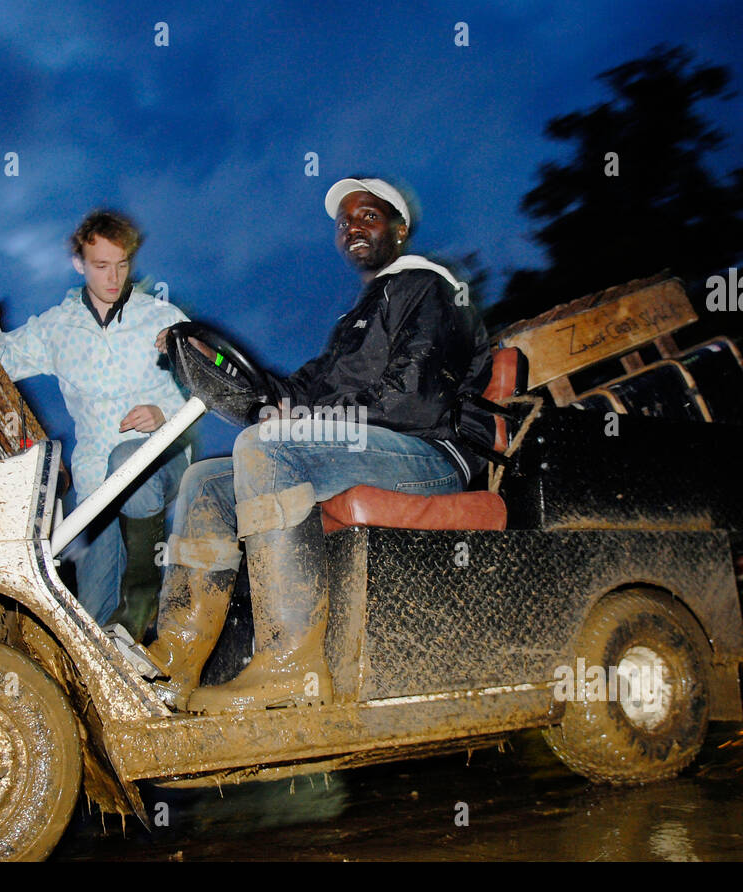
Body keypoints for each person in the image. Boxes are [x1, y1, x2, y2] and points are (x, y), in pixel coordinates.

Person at [148, 177, 494, 714]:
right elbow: (287, 393)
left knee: (268, 447)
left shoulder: (427, 288)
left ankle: (291, 669)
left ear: (399, 229)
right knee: (206, 483)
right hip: (361, 449)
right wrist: (204, 360)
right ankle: (173, 662)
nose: (353, 226)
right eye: (344, 222)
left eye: (368, 216)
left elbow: (414, 402)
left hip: (426, 454)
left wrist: (301, 420)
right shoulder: (353, 322)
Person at [0, 210, 192, 640]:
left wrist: (163, 412)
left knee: (129, 457)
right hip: (95, 486)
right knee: (89, 620)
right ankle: (113, 668)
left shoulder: (163, 318)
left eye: (122, 264)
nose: (113, 278)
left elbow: (204, 386)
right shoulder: (58, 327)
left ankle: (144, 600)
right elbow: (2, 363)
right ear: (80, 264)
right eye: (101, 266)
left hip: (157, 459)